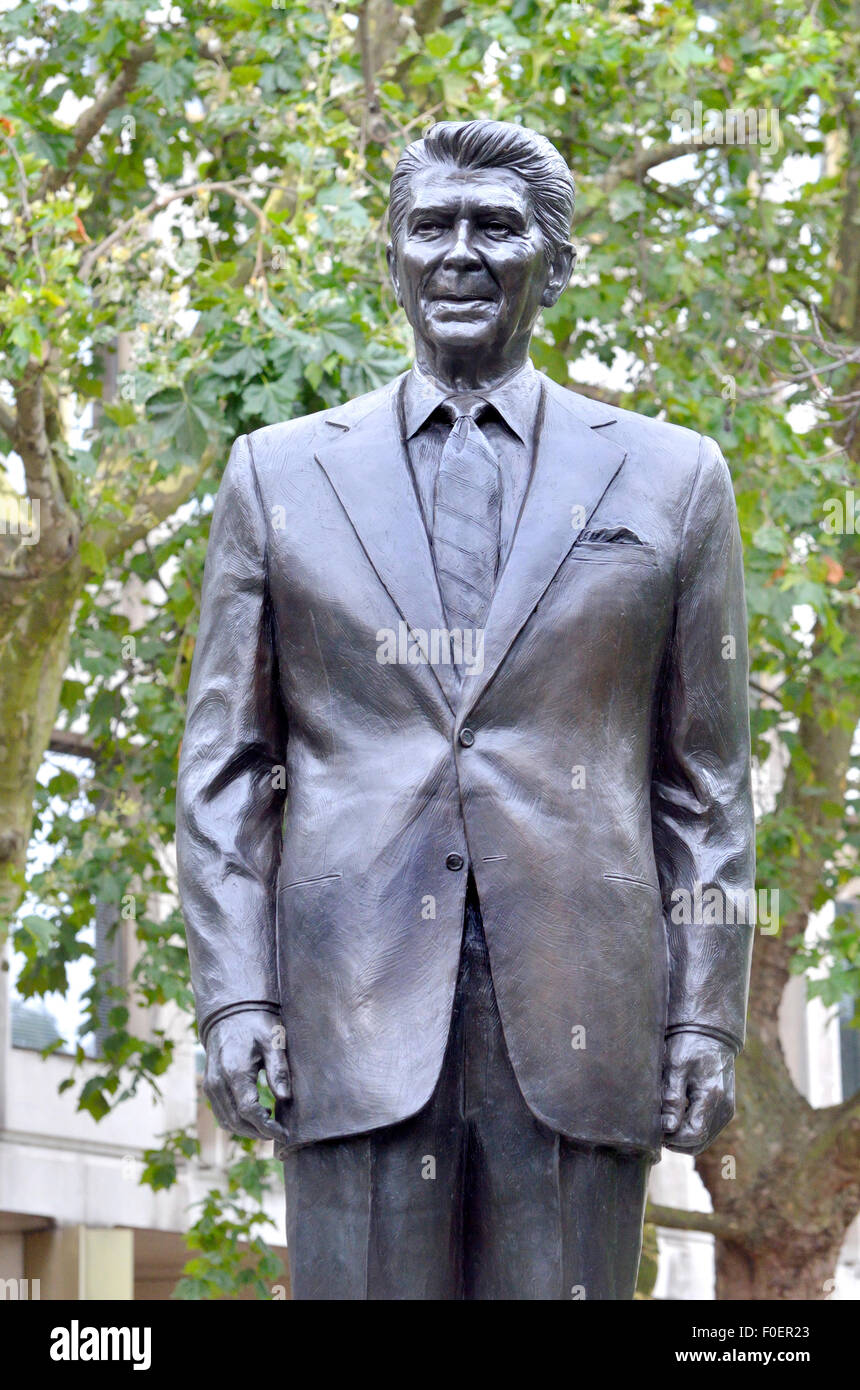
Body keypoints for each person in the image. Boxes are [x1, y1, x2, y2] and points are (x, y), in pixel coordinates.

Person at [176, 119, 755, 1300]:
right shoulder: (277, 475)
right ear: (389, 256)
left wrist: (704, 1017)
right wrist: (237, 995)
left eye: (494, 227)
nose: (458, 253)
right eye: (428, 227)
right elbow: (227, 768)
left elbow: (703, 779)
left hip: (583, 1014)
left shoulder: (671, 477)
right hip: (350, 1006)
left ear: (555, 259)